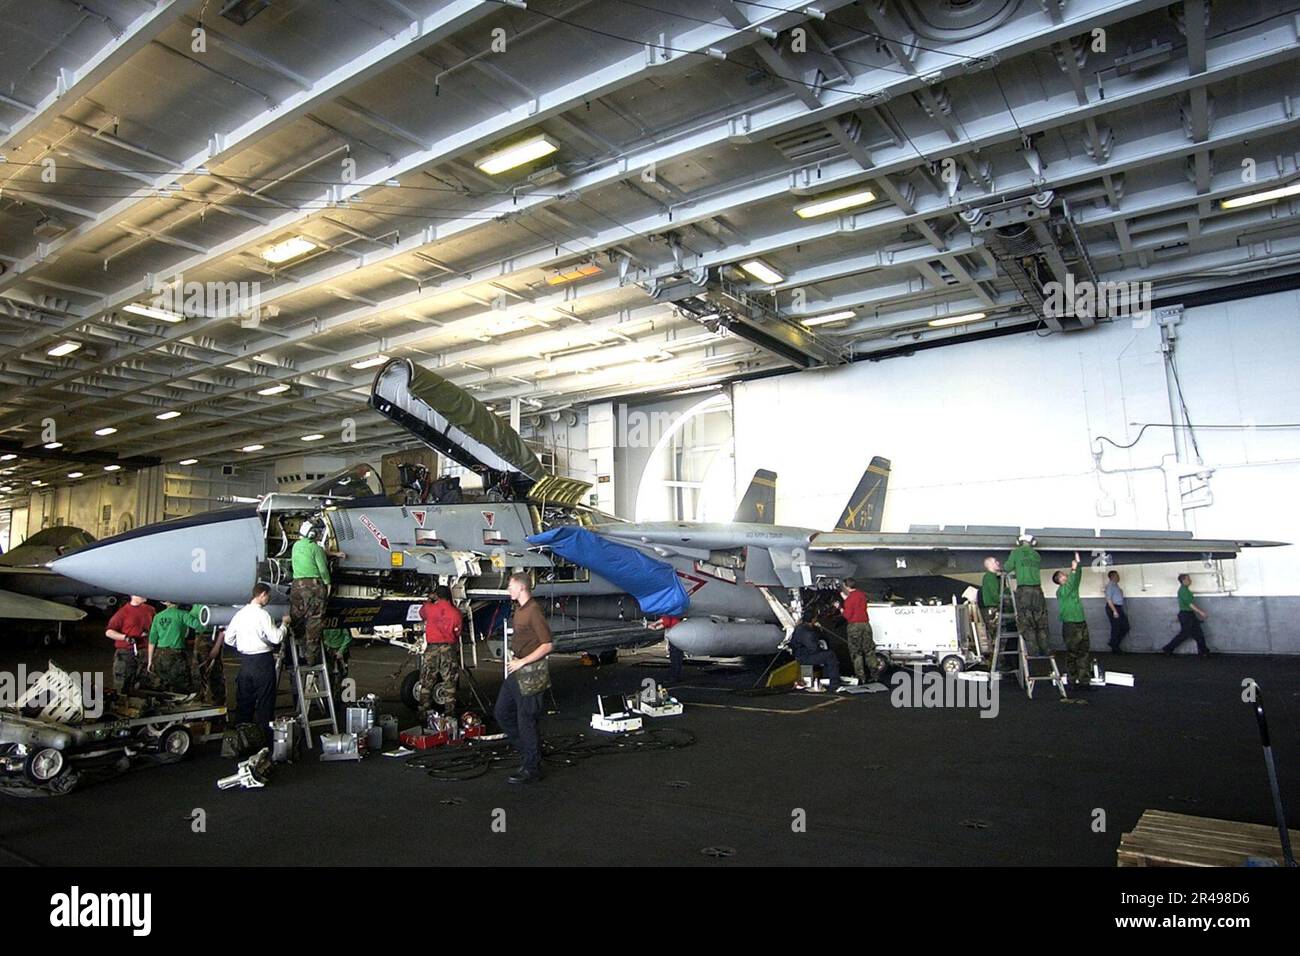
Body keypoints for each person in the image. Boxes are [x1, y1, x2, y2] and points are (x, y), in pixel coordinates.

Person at [495, 573, 553, 785]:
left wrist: (522, 661)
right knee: (501, 713)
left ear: (521, 587)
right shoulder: (520, 609)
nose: (508, 590)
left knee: (526, 719)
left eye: (510, 586)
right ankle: (531, 754)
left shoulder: (533, 611)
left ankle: (532, 766)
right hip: (517, 669)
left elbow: (547, 644)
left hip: (529, 672)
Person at [225, 583, 290, 730]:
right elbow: (276, 638)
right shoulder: (263, 614)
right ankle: (265, 740)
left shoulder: (240, 614)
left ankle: (243, 737)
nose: (269, 599)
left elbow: (228, 639)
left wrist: (243, 646)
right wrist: (284, 625)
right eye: (268, 596)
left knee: (244, 703)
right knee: (265, 703)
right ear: (263, 594)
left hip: (246, 663)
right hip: (262, 662)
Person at [289, 519, 333, 666]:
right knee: (314, 621)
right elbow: (322, 569)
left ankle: (300, 648)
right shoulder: (315, 548)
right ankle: (311, 658)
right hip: (314, 586)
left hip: (297, 586)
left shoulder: (295, 546)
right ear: (313, 533)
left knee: (297, 618)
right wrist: (328, 583)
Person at [417, 586, 464, 720]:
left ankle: (423, 713)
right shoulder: (456, 612)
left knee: (426, 681)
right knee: (449, 683)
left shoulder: (430, 608)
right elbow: (458, 632)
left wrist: (429, 600)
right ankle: (450, 715)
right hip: (448, 649)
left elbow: (421, 613)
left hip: (431, 649)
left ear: (436, 595)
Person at [146, 601, 207, 693]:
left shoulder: (158, 617)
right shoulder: (182, 615)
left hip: (159, 655)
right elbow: (201, 627)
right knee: (181, 687)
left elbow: (152, 640)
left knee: (162, 687)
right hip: (175, 655)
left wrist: (150, 661)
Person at [1005, 533, 1050, 656]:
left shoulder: (1016, 552)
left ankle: (1033, 651)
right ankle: (1045, 649)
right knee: (1040, 620)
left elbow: (1007, 567)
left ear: (1019, 542)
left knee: (1026, 620)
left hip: (1024, 590)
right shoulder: (1036, 555)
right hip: (1038, 591)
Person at [1053, 553, 1092, 688]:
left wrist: (1078, 564)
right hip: (1070, 624)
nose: (1067, 575)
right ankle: (1072, 678)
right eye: (1063, 575)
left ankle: (1084, 680)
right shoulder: (1061, 591)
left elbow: (1076, 579)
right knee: (1072, 652)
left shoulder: (1071, 589)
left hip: (1080, 623)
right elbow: (1071, 583)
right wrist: (1074, 569)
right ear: (1059, 580)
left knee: (1084, 651)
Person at [105, 595, 155, 694]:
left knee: (144, 682)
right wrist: (126, 637)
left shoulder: (150, 610)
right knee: (123, 683)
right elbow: (109, 632)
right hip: (126, 652)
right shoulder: (123, 612)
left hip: (144, 651)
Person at [840, 578, 878, 683]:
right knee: (869, 650)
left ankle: (861, 677)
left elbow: (847, 615)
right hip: (866, 624)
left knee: (856, 652)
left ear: (846, 586)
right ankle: (875, 675)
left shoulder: (849, 599)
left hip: (854, 626)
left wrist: (841, 609)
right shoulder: (861, 594)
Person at [1163, 574, 1210, 656]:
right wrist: (1200, 612)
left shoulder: (1186, 590)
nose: (1190, 581)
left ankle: (1204, 651)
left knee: (1197, 633)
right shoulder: (1183, 591)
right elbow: (1190, 604)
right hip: (1186, 615)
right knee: (1185, 634)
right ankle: (1168, 648)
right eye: (1188, 579)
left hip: (1188, 614)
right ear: (1183, 581)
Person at [788, 617, 841, 691]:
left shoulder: (798, 628)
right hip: (805, 656)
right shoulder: (808, 632)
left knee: (826, 655)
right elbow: (813, 648)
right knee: (830, 655)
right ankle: (834, 683)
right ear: (812, 620)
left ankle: (826, 680)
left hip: (799, 654)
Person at [192, 626, 227, 706]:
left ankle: (219, 704)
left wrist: (217, 645)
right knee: (199, 673)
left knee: (215, 673)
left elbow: (223, 628)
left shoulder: (214, 613)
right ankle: (200, 702)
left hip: (211, 639)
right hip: (201, 639)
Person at [649, 614, 684, 681]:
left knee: (674, 656)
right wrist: (655, 626)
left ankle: (674, 676)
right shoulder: (676, 612)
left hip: (675, 635)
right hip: (679, 633)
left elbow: (666, 620)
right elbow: (666, 622)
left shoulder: (669, 612)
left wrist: (654, 624)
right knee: (678, 656)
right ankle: (676, 675)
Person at [978, 556, 1002, 651]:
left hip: (992, 609)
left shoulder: (994, 577)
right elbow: (995, 594)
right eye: (996, 562)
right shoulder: (990, 577)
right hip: (993, 610)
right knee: (996, 636)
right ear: (990, 565)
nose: (998, 563)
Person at [322, 626, 352, 699]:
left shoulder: (340, 623)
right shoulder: (323, 623)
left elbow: (348, 637)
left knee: (341, 676)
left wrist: (341, 651)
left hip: (341, 650)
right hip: (328, 651)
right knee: (328, 676)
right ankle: (329, 698)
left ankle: (339, 697)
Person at [1105, 570, 1131, 653]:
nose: (1118, 577)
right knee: (1116, 627)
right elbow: (1109, 600)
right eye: (1117, 575)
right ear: (1112, 577)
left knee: (1123, 627)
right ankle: (1114, 646)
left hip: (1118, 607)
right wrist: (1114, 611)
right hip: (1114, 608)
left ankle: (1113, 643)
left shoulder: (1115, 586)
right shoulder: (1110, 586)